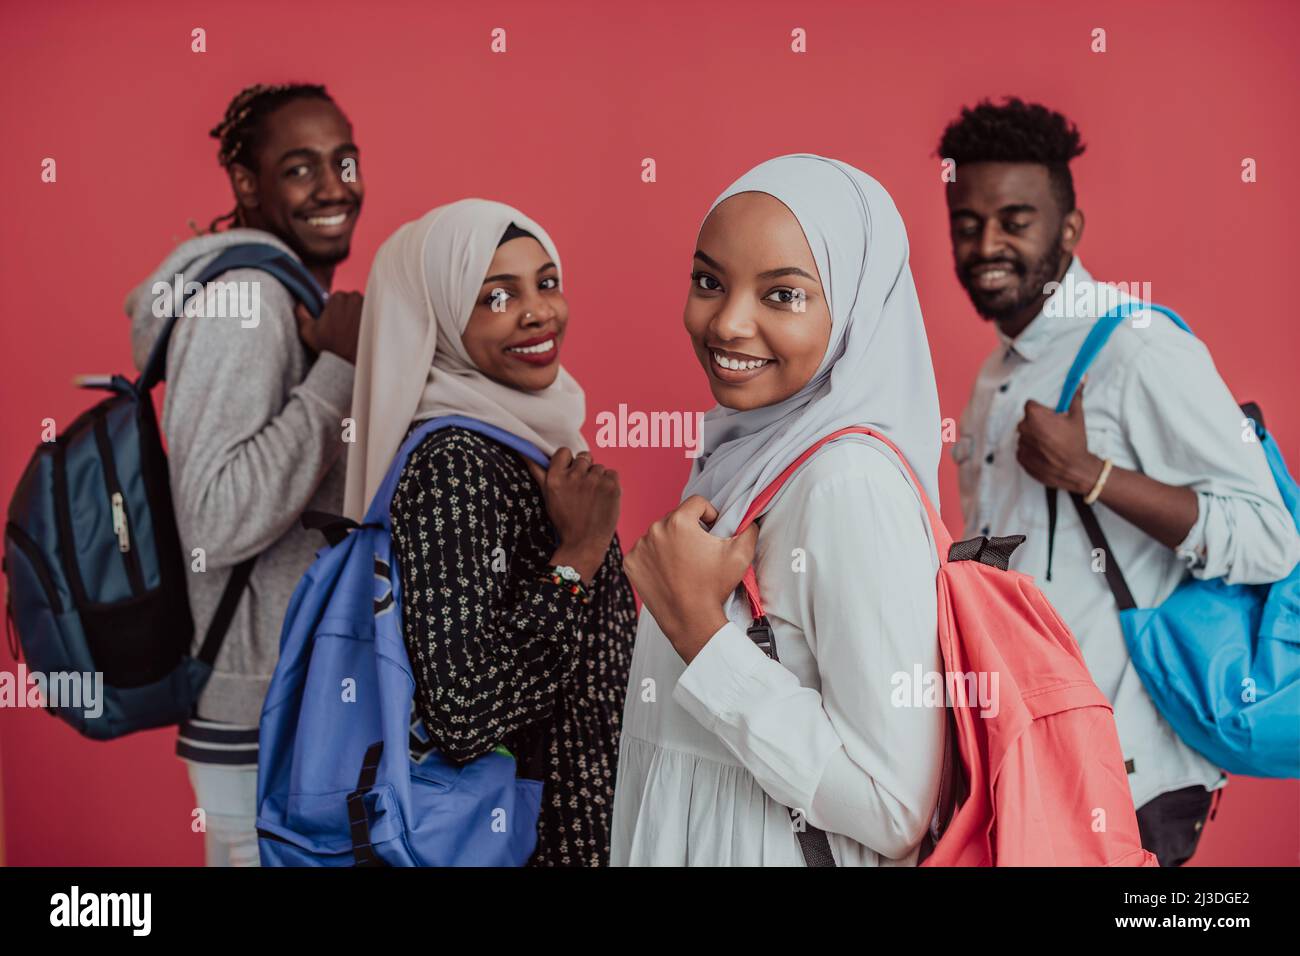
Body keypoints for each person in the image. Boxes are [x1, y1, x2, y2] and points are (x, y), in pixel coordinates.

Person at [939, 97, 1300, 866]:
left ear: (1069, 229)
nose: (987, 244)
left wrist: (1092, 475)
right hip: (1026, 761)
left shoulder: (1138, 349)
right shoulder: (991, 377)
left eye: (1015, 219)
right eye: (967, 224)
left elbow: (1272, 540)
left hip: (1129, 771)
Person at [611, 154, 945, 866]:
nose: (728, 322)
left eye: (783, 295)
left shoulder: (846, 483)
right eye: (709, 281)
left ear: (853, 306)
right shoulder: (748, 459)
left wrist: (703, 634)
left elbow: (895, 807)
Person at [343, 200, 637, 866]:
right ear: (440, 319)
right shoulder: (454, 462)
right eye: (495, 296)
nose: (538, 311)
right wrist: (578, 557)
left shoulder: (524, 439)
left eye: (547, 281)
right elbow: (464, 714)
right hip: (530, 841)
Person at [126, 82, 365, 866]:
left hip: (290, 708)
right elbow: (216, 519)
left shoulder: (281, 290)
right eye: (300, 169)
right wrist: (337, 368)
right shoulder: (246, 301)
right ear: (247, 184)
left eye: (344, 160)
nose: (334, 187)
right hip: (258, 717)